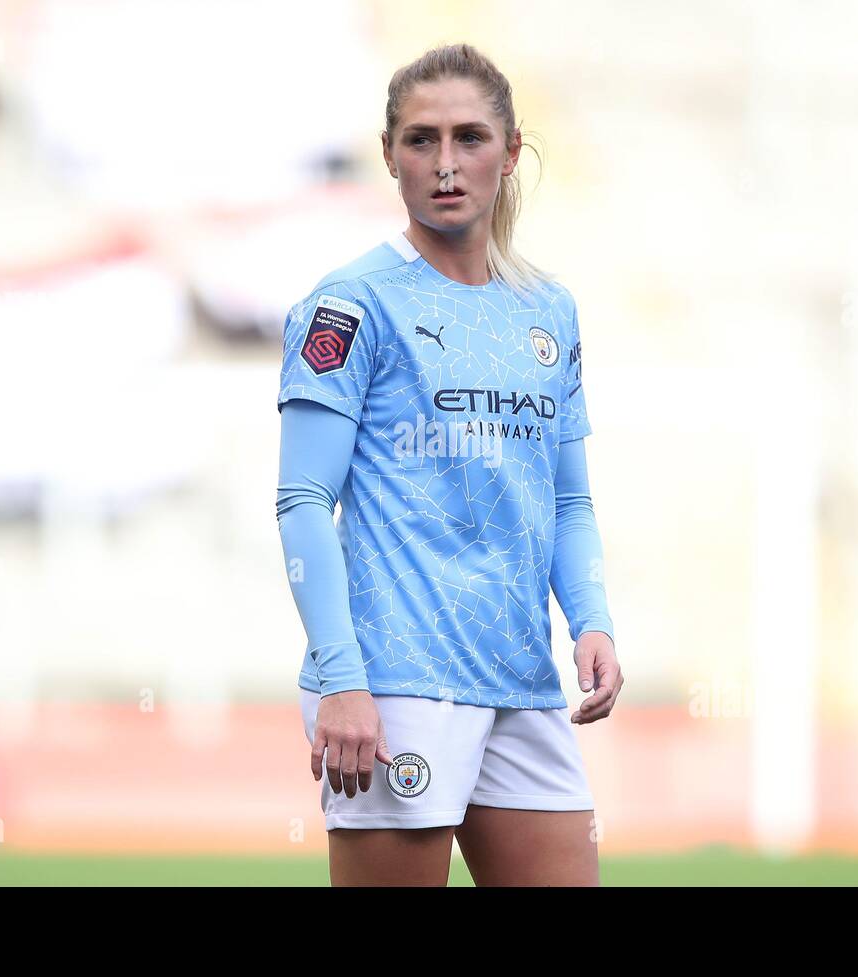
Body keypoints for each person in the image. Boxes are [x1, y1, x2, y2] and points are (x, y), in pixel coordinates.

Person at [275, 43, 622, 886]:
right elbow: (301, 500)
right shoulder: (349, 306)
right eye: (421, 140)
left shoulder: (549, 309)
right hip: (395, 686)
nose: (445, 164)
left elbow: (568, 498)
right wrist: (343, 681)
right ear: (390, 155)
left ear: (510, 154)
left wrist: (591, 619)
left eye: (469, 138)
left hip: (522, 680)